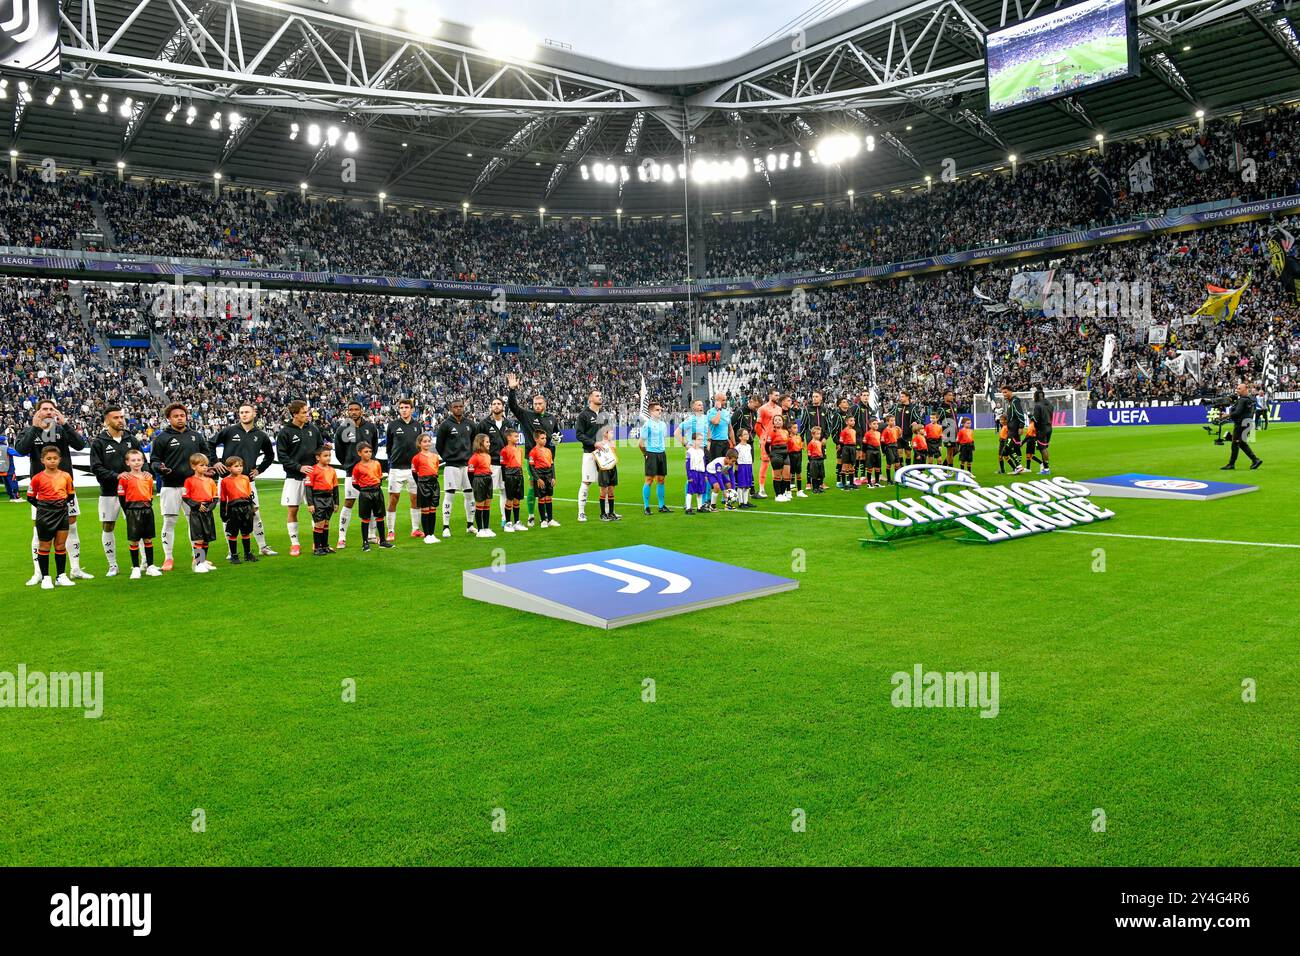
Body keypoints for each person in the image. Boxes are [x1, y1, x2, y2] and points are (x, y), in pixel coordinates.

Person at [17, 400, 91, 584]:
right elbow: (21, 450)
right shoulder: (29, 431)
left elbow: (81, 445)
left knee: (71, 527)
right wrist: (35, 428)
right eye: (44, 409)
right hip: (42, 492)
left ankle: (74, 569)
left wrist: (65, 423)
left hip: (65, 489)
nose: (48, 412)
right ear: (37, 412)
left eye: (51, 409)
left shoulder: (61, 430)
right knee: (38, 531)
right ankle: (38, 573)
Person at [149, 402, 211, 572]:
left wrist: (207, 468)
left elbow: (207, 455)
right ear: (169, 419)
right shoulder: (162, 438)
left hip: (193, 487)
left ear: (186, 416)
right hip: (170, 486)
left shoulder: (196, 436)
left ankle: (199, 559)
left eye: (182, 415)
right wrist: (159, 468)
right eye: (175, 416)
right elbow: (153, 460)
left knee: (196, 522)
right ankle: (168, 558)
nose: (179, 418)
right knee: (169, 521)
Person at [210, 403, 276, 556]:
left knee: (254, 513)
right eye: (241, 412)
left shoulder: (260, 435)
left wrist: (259, 470)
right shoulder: (229, 431)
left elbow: (270, 455)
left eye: (247, 412)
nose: (244, 415)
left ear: (254, 414)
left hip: (247, 482)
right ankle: (230, 550)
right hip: (227, 480)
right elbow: (210, 443)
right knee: (228, 515)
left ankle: (263, 547)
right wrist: (215, 462)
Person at [89, 405, 143, 578]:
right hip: (109, 492)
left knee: (137, 525)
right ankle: (113, 565)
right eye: (116, 418)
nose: (120, 420)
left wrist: (146, 475)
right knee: (108, 525)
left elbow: (142, 460)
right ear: (107, 421)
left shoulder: (131, 439)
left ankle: (144, 563)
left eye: (122, 417)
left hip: (132, 492)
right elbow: (95, 467)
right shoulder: (99, 442)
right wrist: (116, 476)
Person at [506, 373, 559, 528]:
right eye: (535, 403)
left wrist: (557, 439)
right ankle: (531, 515)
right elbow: (513, 406)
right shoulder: (527, 416)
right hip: (533, 457)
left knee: (548, 488)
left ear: (545, 404)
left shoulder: (551, 418)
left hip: (549, 458)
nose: (537, 406)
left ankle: (548, 517)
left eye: (540, 403)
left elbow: (557, 434)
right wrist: (512, 390)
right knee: (533, 484)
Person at [276, 400, 326, 556]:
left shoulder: (313, 429)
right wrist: (299, 467)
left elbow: (319, 448)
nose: (307, 415)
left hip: (313, 478)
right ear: (295, 414)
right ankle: (295, 543)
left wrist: (322, 458)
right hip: (294, 477)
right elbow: (282, 456)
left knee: (316, 510)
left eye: (307, 412)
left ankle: (317, 543)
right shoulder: (285, 432)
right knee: (293, 509)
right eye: (304, 412)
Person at [27, 446, 77, 589]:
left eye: (55, 458)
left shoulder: (66, 476)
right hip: (44, 514)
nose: (52, 461)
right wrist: (44, 506)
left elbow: (71, 495)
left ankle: (61, 576)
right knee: (44, 545)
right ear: (43, 460)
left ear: (60, 460)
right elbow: (30, 497)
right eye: (49, 458)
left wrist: (59, 505)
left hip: (62, 513)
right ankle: (46, 577)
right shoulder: (37, 478)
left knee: (60, 545)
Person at [333, 401, 381, 549]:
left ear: (361, 411)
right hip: (352, 472)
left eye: (356, 409)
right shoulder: (343, 429)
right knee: (349, 503)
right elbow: (340, 452)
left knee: (372, 503)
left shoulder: (370, 427)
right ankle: (342, 537)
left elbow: (374, 447)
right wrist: (349, 464)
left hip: (369, 473)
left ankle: (372, 536)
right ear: (348, 411)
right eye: (351, 410)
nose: (353, 412)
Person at [117, 449, 162, 579]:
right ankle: (136, 568)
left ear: (143, 461)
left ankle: (150, 566)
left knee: (148, 538)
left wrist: (147, 505)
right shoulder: (124, 478)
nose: (136, 462)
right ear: (127, 462)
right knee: (134, 540)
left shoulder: (148, 477)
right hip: (132, 510)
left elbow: (150, 494)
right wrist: (128, 512)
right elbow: (121, 498)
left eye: (139, 460)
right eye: (133, 460)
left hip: (147, 510)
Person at [436, 397, 476, 538]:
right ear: (451, 409)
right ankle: (446, 526)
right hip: (452, 466)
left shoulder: (470, 424)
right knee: (449, 495)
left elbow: (474, 443)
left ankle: (470, 525)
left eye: (460, 406)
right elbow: (439, 446)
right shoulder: (445, 425)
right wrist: (448, 457)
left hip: (467, 465)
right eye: (455, 407)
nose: (458, 408)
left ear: (463, 407)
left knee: (470, 495)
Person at [384, 398, 422, 541]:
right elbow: (388, 447)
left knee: (415, 499)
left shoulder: (417, 425)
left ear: (412, 409)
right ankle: (391, 530)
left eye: (406, 407)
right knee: (394, 499)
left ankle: (415, 529)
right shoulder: (393, 425)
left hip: (413, 469)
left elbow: (419, 447)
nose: (404, 410)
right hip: (396, 469)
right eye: (401, 407)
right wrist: (391, 463)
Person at [475, 397, 514, 529]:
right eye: (494, 404)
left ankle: (505, 519)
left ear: (503, 407)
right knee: (487, 494)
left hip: (506, 464)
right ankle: (483, 525)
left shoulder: (509, 423)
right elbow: (477, 443)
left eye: (499, 404)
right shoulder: (484, 424)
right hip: (490, 464)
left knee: (505, 492)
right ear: (491, 407)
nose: (496, 406)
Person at [351, 442, 393, 551]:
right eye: (366, 452)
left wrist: (376, 486)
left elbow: (379, 478)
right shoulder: (357, 467)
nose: (368, 454)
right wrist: (364, 490)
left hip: (377, 492)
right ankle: (365, 542)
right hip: (365, 493)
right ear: (359, 453)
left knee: (380, 516)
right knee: (365, 518)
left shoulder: (376, 463)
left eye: (370, 451)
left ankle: (383, 541)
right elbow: (355, 483)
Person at [181, 453, 218, 574]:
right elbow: (185, 497)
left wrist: (210, 507)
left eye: (206, 465)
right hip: (196, 511)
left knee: (207, 538)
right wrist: (197, 505)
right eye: (201, 465)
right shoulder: (189, 481)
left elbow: (215, 497)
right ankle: (197, 564)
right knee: (199, 539)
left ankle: (203, 561)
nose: (205, 467)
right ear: (193, 466)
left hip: (207, 511)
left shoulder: (211, 481)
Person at [575, 390, 607, 523]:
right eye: (597, 395)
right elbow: (579, 434)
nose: (600, 397)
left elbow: (607, 432)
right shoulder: (583, 415)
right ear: (590, 398)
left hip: (604, 453)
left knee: (605, 482)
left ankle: (607, 512)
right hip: (589, 453)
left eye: (600, 395)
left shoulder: (604, 415)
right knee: (586, 481)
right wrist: (594, 443)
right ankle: (581, 512)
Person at [218, 457, 258, 564]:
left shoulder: (245, 478)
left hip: (246, 508)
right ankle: (234, 556)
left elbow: (249, 494)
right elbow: (223, 497)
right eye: (236, 466)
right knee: (233, 533)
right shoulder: (225, 481)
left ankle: (248, 554)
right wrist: (223, 512)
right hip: (233, 509)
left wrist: (252, 507)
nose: (239, 468)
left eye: (241, 466)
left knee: (246, 531)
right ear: (228, 468)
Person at [301, 446, 340, 555]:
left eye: (329, 456)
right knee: (319, 524)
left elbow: (336, 487)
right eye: (325, 456)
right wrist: (310, 504)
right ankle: (317, 548)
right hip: (318, 499)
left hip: (329, 499)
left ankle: (325, 546)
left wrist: (336, 502)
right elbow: (308, 488)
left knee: (326, 523)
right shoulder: (312, 470)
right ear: (318, 457)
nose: (328, 458)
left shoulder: (332, 470)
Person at [638, 400, 671, 516]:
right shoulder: (647, 425)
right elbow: (641, 443)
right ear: (651, 412)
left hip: (662, 454)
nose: (660, 411)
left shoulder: (663, 424)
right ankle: (646, 507)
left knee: (661, 480)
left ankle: (661, 506)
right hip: (651, 454)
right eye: (657, 410)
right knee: (649, 480)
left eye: (660, 410)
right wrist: (645, 454)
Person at [1220, 382, 1263, 470]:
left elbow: (1237, 413)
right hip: (1247, 423)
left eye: (1239, 388)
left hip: (1241, 424)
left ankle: (1232, 464)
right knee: (1241, 443)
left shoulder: (1242, 400)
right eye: (1237, 388)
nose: (1237, 390)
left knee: (1235, 443)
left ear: (1245, 389)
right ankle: (1255, 460)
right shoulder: (1250, 399)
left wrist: (1227, 415)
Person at [412, 433, 442, 543]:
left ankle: (432, 534)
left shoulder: (435, 456)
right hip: (423, 484)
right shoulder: (416, 458)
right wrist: (421, 483)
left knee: (433, 509)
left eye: (429, 441)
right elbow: (414, 473)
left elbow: (436, 469)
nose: (427, 443)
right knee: (425, 510)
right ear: (419, 444)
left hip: (434, 484)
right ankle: (426, 535)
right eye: (424, 441)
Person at [527, 430, 558, 528]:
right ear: (536, 439)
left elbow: (552, 465)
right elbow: (532, 467)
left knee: (549, 497)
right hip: (540, 474)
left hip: (548, 474)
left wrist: (553, 477)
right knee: (541, 498)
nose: (544, 440)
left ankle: (550, 519)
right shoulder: (533, 452)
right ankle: (543, 521)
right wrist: (537, 479)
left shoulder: (548, 451)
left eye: (545, 438)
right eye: (542, 438)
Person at [468, 433, 496, 537]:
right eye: (487, 442)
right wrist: (474, 484)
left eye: (489, 442)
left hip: (488, 479)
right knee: (480, 504)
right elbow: (470, 473)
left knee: (487, 504)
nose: (489, 444)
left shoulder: (488, 456)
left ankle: (486, 528)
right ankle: (480, 530)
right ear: (480, 443)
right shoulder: (474, 457)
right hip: (479, 480)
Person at [755, 390, 781, 498]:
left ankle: (779, 490)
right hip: (766, 440)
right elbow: (757, 426)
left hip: (777, 439)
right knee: (765, 463)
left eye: (778, 395)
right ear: (770, 395)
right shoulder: (763, 409)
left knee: (777, 464)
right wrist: (763, 437)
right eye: (776, 395)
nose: (778, 397)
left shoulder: (779, 409)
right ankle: (761, 489)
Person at [500, 427, 526, 533]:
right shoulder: (504, 450)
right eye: (515, 436)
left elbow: (520, 464)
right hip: (509, 475)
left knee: (517, 499)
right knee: (509, 499)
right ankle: (508, 523)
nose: (517, 437)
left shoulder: (520, 449)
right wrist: (505, 479)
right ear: (508, 437)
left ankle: (517, 522)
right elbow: (503, 466)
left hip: (519, 475)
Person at [594, 427, 621, 521]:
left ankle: (611, 513)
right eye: (611, 432)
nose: (612, 434)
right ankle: (602, 514)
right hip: (604, 469)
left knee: (611, 490)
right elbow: (596, 457)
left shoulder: (612, 442)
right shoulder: (600, 444)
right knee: (603, 491)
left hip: (613, 468)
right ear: (605, 433)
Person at [999, 385, 1027, 475]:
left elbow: (1020, 414)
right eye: (1003, 393)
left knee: (1006, 449)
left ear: (1011, 392)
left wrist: (1021, 426)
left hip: (1014, 430)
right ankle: (1017, 467)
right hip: (1011, 429)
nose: (1004, 394)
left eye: (1006, 392)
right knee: (1008, 450)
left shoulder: (1015, 401)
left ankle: (1018, 466)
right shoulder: (1010, 402)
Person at [767, 413, 791, 502]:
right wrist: (770, 454)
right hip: (776, 453)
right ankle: (778, 495)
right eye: (776, 420)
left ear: (782, 422)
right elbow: (767, 445)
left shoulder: (785, 431)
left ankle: (782, 493)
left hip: (785, 453)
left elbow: (787, 443)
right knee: (777, 475)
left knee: (786, 475)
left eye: (779, 420)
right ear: (773, 422)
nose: (778, 421)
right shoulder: (772, 432)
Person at [1030, 386, 1053, 475]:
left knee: (1042, 449)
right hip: (1049, 427)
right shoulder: (1050, 404)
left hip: (1041, 429)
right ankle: (1045, 467)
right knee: (1045, 448)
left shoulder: (1038, 406)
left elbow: (1036, 419)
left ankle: (1046, 469)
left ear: (1037, 396)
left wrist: (1030, 417)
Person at [707, 392, 734, 464]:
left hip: (726, 442)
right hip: (716, 443)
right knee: (717, 465)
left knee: (727, 464)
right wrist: (719, 409)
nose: (725, 402)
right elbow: (716, 422)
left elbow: (730, 429)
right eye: (724, 400)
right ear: (718, 401)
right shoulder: (710, 412)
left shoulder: (726, 412)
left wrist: (734, 443)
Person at [938, 391, 960, 467]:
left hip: (956, 432)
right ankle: (950, 469)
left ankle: (944, 466)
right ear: (945, 396)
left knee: (956, 450)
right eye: (950, 395)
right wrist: (941, 432)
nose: (952, 397)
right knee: (950, 451)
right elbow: (937, 421)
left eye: (952, 395)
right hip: (948, 433)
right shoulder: (942, 408)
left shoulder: (954, 405)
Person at [837, 415, 857, 490]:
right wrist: (842, 450)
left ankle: (851, 483)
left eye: (853, 420)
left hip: (853, 448)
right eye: (851, 420)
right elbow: (841, 442)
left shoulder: (854, 431)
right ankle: (844, 484)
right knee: (845, 466)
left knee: (852, 465)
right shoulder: (844, 431)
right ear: (846, 422)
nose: (853, 422)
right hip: (846, 448)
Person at [787, 420, 807, 498]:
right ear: (789, 429)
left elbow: (801, 446)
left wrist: (802, 446)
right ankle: (788, 491)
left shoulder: (799, 436)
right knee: (789, 474)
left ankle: (799, 491)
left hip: (798, 455)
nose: (796, 429)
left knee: (799, 473)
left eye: (797, 428)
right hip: (791, 455)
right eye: (794, 428)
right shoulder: (788, 438)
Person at [880, 415, 900, 485]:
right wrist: (884, 451)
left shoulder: (895, 429)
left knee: (897, 464)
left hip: (895, 447)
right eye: (891, 420)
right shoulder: (885, 430)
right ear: (887, 422)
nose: (893, 422)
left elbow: (897, 438)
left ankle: (897, 479)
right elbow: (882, 441)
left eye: (894, 420)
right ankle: (889, 480)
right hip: (889, 447)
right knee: (889, 464)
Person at [863, 418, 883, 488]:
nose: (876, 425)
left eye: (877, 424)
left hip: (877, 451)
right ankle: (869, 483)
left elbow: (879, 443)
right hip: (870, 451)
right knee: (870, 468)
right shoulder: (867, 434)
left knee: (878, 467)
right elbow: (864, 444)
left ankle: (877, 482)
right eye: (874, 424)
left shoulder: (878, 433)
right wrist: (865, 452)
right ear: (870, 425)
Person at [806, 426, 826, 494]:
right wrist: (810, 460)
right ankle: (815, 488)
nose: (819, 435)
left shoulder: (819, 442)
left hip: (820, 460)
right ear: (812, 434)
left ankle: (819, 487)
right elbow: (809, 453)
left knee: (820, 474)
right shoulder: (811, 443)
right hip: (814, 460)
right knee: (815, 475)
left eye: (819, 434)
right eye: (817, 434)